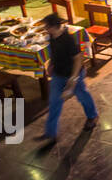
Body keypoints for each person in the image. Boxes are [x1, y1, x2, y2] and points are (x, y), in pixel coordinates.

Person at [36, 14, 98, 147]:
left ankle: (92, 116)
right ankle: (51, 133)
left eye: (47, 26)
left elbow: (78, 58)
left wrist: (74, 78)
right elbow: (54, 53)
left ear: (53, 26)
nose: (45, 29)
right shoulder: (52, 37)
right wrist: (51, 64)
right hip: (58, 74)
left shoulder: (67, 39)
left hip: (73, 73)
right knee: (54, 102)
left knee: (82, 96)